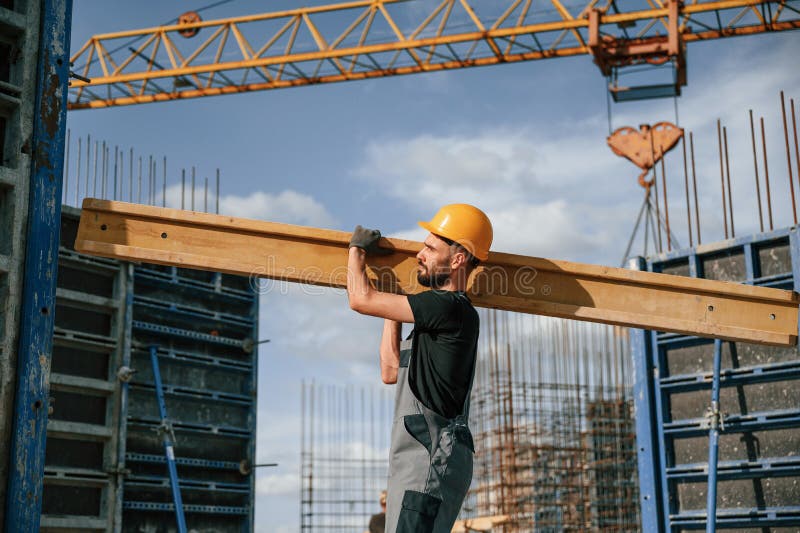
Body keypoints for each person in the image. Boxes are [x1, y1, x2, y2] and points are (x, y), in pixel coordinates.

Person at [347, 204, 492, 533]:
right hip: (418, 458)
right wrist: (392, 307)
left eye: (429, 248)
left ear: (457, 259)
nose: (419, 255)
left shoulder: (450, 307)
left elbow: (359, 299)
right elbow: (390, 371)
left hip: (428, 458)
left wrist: (356, 250)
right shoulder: (438, 318)